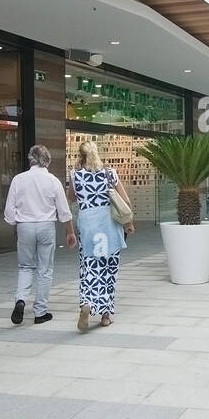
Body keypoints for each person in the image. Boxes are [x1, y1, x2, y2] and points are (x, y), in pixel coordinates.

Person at [4, 145, 76, 325]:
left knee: (25, 267)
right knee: (45, 270)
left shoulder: (18, 179)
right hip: (46, 226)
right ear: (48, 160)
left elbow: (9, 213)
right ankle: (40, 312)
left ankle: (20, 299)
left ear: (30, 159)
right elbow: (64, 211)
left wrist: (16, 223)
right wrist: (70, 232)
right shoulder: (53, 181)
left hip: (25, 226)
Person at [71, 141, 134, 332]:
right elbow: (125, 201)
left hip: (88, 227)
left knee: (89, 267)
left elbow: (72, 198)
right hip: (108, 227)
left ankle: (86, 304)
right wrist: (129, 223)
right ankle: (106, 315)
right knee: (108, 268)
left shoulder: (75, 176)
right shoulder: (109, 174)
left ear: (79, 156)